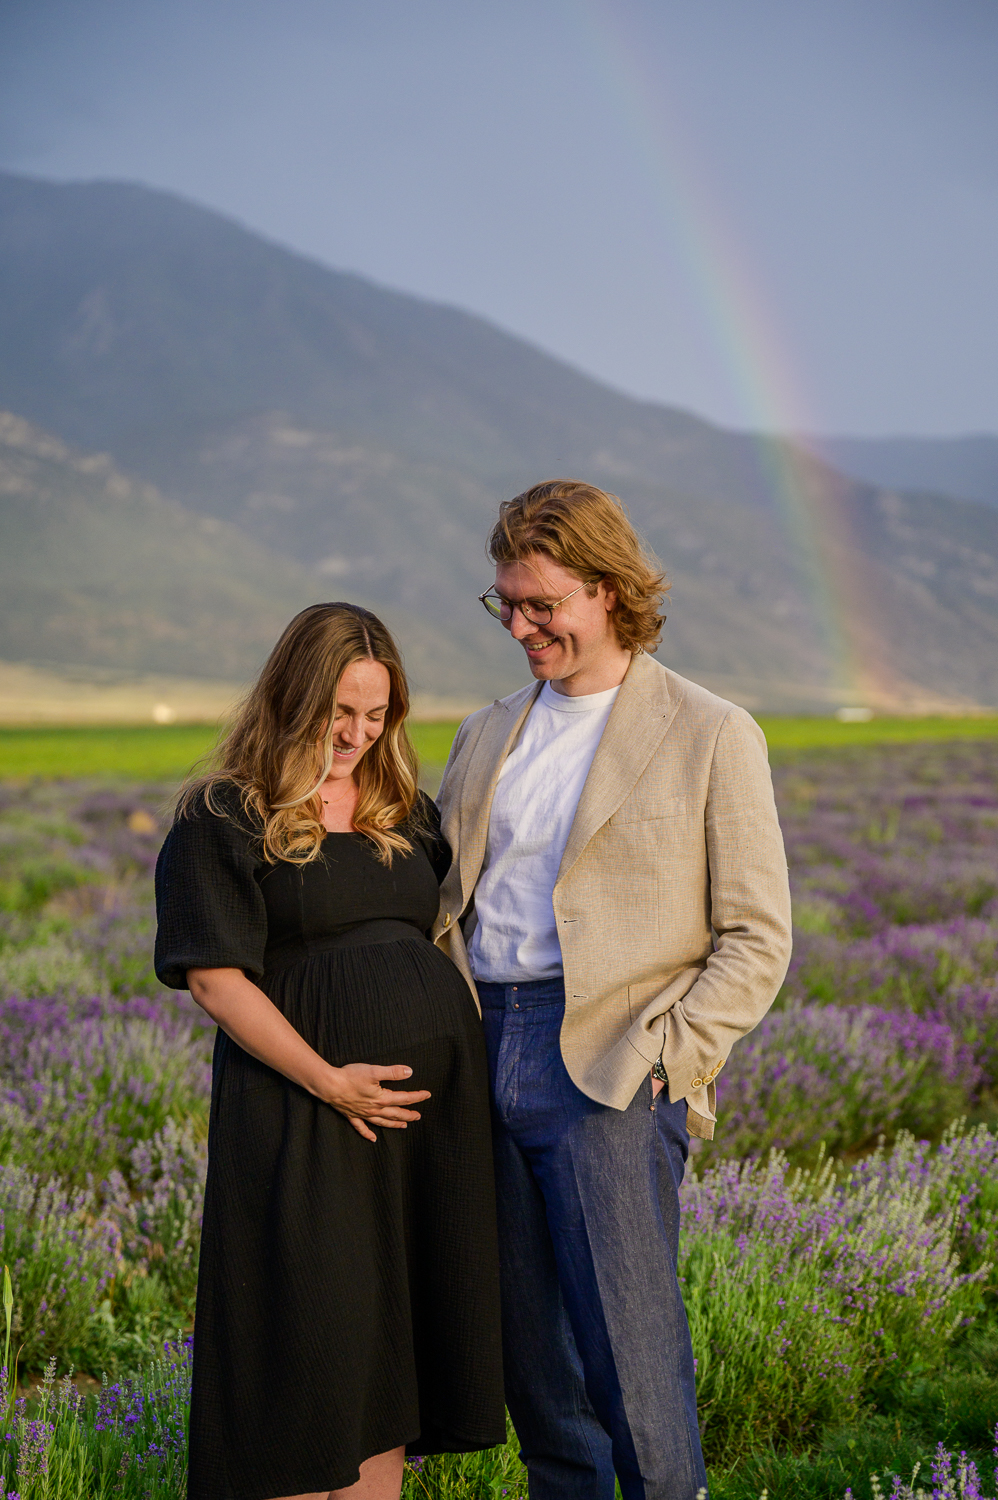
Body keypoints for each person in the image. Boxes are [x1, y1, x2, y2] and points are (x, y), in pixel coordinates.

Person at [432, 481, 792, 1500]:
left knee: (631, 1362)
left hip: (609, 1064)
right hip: (480, 1045)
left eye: (541, 605)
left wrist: (665, 1058)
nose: (519, 627)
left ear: (608, 590)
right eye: (505, 604)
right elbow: (446, 900)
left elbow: (756, 936)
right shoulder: (485, 732)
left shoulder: (710, 730)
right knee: (536, 1373)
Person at [154, 602, 506, 1500]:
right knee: (309, 1335)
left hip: (422, 1132)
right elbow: (216, 980)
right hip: (304, 1112)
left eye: (375, 714)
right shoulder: (224, 814)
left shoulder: (405, 811)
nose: (355, 735)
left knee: (390, 1341)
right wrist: (329, 1080)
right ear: (291, 697)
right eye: (337, 712)